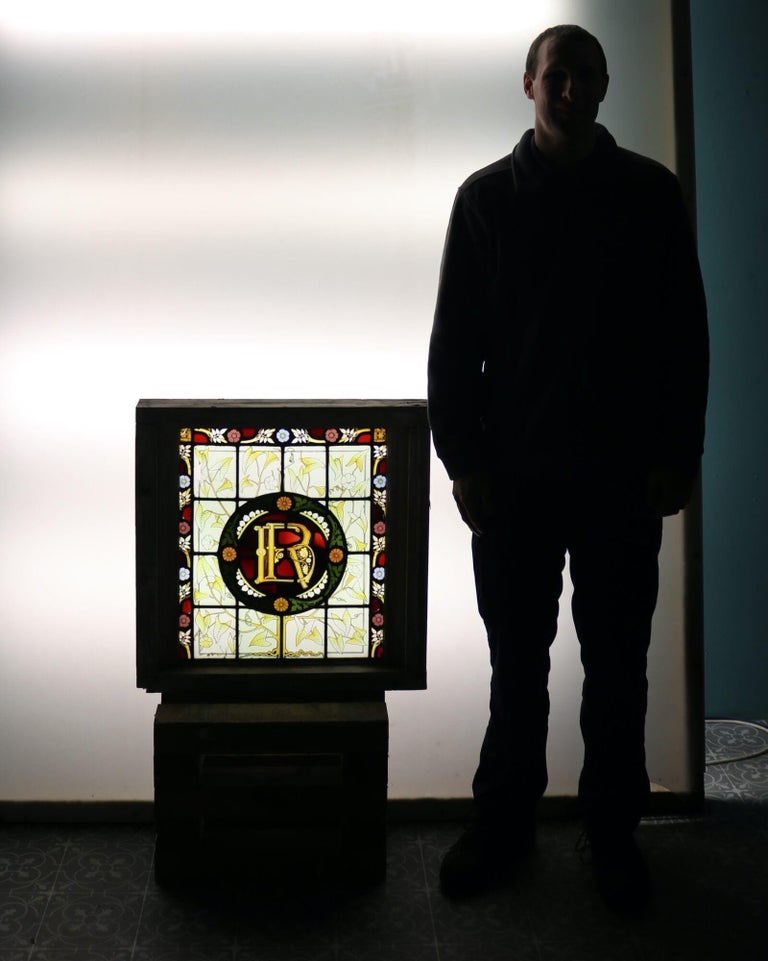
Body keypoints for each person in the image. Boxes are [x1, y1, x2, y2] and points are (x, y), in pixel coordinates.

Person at [427, 24, 708, 911]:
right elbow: (451, 352)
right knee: (519, 663)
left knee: (618, 663)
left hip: (622, 478)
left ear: (604, 84)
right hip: (513, 482)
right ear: (529, 84)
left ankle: (612, 831)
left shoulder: (650, 196)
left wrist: (680, 455)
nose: (572, 89)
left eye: (586, 76)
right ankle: (506, 822)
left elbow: (684, 342)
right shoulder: (484, 202)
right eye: (559, 75)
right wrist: (465, 462)